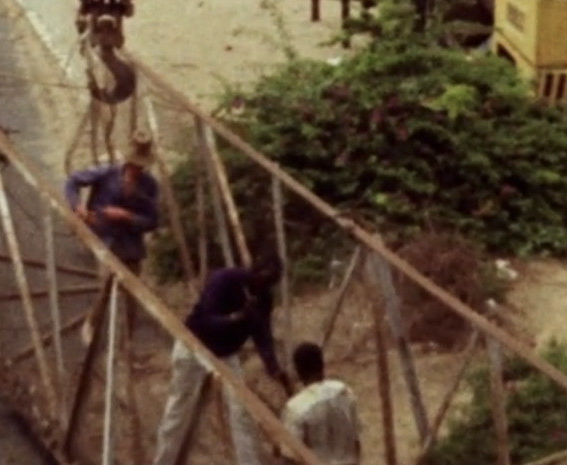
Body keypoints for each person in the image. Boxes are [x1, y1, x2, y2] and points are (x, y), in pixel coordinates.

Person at [152, 256, 290, 465]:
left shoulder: (264, 298)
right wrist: (236, 318)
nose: (265, 286)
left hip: (226, 354)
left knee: (241, 411)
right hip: (194, 345)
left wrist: (273, 367)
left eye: (271, 283)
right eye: (264, 280)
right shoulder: (225, 280)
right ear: (254, 272)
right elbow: (203, 320)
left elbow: (262, 333)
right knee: (179, 410)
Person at [63, 132, 161, 271]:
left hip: (130, 249)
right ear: (128, 161)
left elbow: (153, 221)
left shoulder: (149, 185)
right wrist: (77, 206)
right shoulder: (107, 173)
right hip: (102, 239)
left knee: (128, 288)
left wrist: (127, 216)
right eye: (134, 164)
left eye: (140, 166)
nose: (136, 169)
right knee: (103, 281)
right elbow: (72, 182)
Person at [279, 342, 360, 464]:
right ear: (322, 364)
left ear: (297, 371)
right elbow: (356, 440)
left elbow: (290, 457)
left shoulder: (295, 408)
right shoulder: (344, 392)